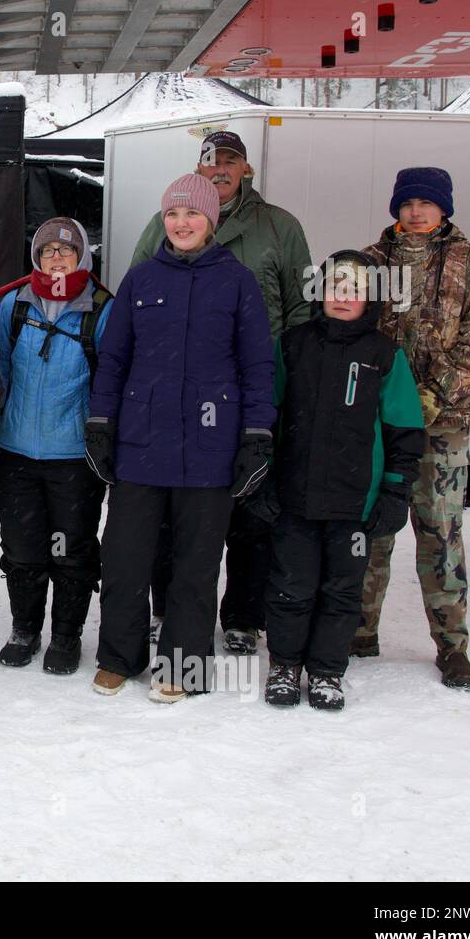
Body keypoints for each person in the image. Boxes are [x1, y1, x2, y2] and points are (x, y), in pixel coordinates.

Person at [86, 174, 274, 702]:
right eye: (173, 214)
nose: (182, 223)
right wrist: (100, 424)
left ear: (212, 220)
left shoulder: (237, 282)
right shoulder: (141, 280)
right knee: (123, 558)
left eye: (193, 214)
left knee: (195, 563)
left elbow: (258, 365)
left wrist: (257, 435)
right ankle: (119, 656)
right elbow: (114, 359)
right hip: (142, 444)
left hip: (210, 447)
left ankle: (183, 666)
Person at [129, 131, 312, 655]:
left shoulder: (279, 226)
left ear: (246, 169)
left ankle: (242, 615)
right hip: (178, 393)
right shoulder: (164, 222)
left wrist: (287, 382)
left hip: (256, 389)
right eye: (211, 160)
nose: (220, 168)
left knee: (252, 507)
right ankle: (166, 608)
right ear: (199, 168)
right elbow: (139, 287)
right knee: (174, 509)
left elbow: (302, 307)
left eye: (230, 161)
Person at [352, 168, 470, 690]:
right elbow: (343, 332)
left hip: (443, 427)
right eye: (407, 202)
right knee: (371, 527)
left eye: (427, 203)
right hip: (378, 426)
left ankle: (452, 645)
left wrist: (430, 398)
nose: (416, 212)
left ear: (445, 208)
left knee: (440, 534)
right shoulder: (369, 263)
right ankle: (358, 630)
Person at [250, 252, 424, 710]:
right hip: (295, 499)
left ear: (370, 298)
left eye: (354, 290)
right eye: (334, 287)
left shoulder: (385, 356)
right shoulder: (292, 345)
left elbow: (405, 431)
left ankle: (327, 670)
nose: (343, 297)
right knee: (291, 585)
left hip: (355, 505)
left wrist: (394, 490)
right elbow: (265, 418)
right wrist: (261, 479)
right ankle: (285, 665)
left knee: (342, 591)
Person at [0, 216, 112, 675]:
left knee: (71, 548)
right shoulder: (14, 307)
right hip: (17, 449)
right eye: (47, 251)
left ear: (82, 255)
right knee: (21, 546)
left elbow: (110, 381)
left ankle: (66, 635)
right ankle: (25, 628)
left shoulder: (102, 308)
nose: (56, 258)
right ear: (36, 258)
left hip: (73, 456)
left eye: (66, 250)